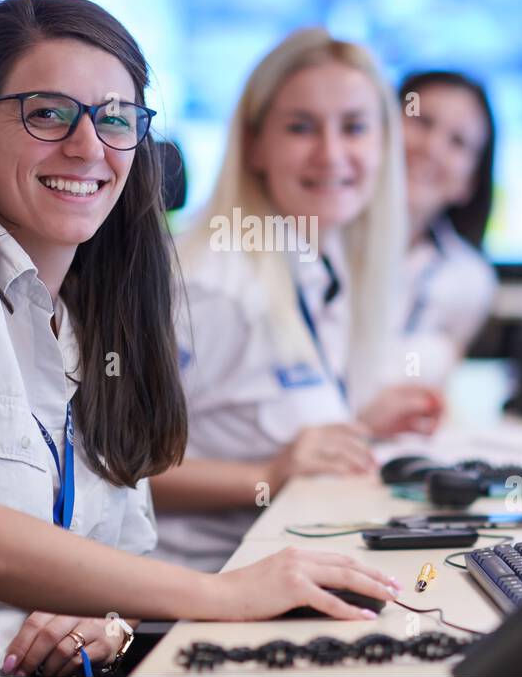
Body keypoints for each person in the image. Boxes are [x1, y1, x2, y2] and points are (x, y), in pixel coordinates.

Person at [0, 0, 399, 677]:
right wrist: (222, 595)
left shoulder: (81, 322)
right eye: (48, 113)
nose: (88, 145)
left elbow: (122, 562)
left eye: (115, 119)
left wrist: (107, 622)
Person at [152, 28, 444, 573]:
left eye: (354, 127)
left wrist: (357, 423)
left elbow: (249, 417)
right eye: (300, 127)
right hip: (189, 600)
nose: (331, 154)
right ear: (256, 145)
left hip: (286, 566)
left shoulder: (320, 260)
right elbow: (118, 474)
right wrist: (269, 475)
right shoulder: (212, 285)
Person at [393, 70, 500, 385]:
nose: (432, 147)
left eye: (458, 141)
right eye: (421, 121)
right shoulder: (311, 245)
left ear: (470, 181)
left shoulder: (470, 281)